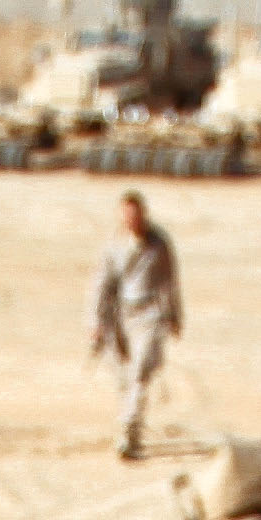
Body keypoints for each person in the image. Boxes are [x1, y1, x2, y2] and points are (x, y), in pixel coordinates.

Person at [89, 187, 181, 459]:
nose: (132, 220)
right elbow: (100, 284)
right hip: (120, 316)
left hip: (150, 315)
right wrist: (96, 321)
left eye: (136, 215)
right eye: (127, 215)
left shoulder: (159, 243)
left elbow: (170, 281)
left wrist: (175, 315)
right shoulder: (114, 245)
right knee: (124, 378)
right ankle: (131, 421)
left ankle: (129, 432)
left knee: (141, 371)